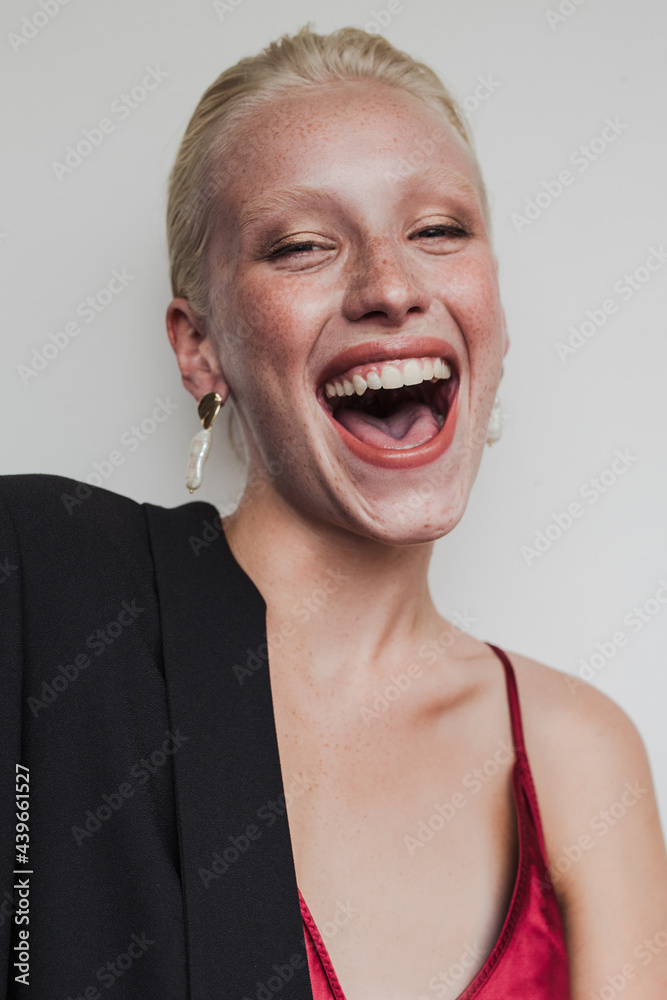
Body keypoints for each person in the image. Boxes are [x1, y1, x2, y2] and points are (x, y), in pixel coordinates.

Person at [1, 24, 665, 1000]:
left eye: (438, 231)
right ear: (201, 347)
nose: (392, 288)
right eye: (303, 245)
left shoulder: (577, 751)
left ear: (497, 310)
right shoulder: (42, 588)